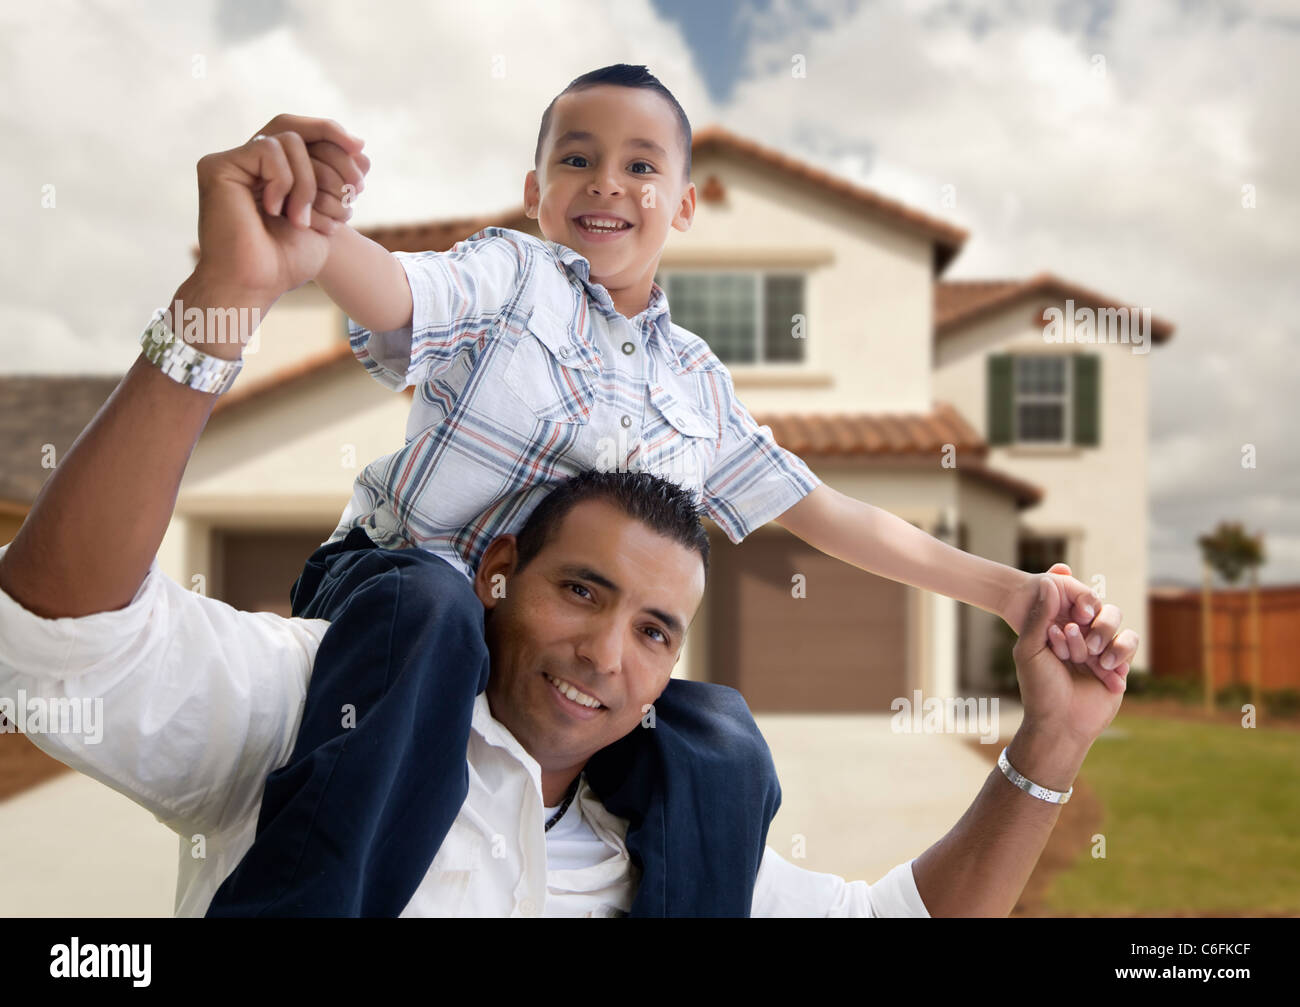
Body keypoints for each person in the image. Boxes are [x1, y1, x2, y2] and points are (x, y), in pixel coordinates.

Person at [0, 104, 1136, 918]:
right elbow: (394, 288)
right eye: (575, 159)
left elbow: (832, 514)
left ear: (682, 204)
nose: (607, 181)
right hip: (392, 599)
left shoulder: (695, 383)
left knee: (721, 735)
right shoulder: (509, 281)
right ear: (536, 190)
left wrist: (1013, 594)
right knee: (434, 612)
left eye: (642, 165)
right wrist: (274, 260)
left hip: (478, 617)